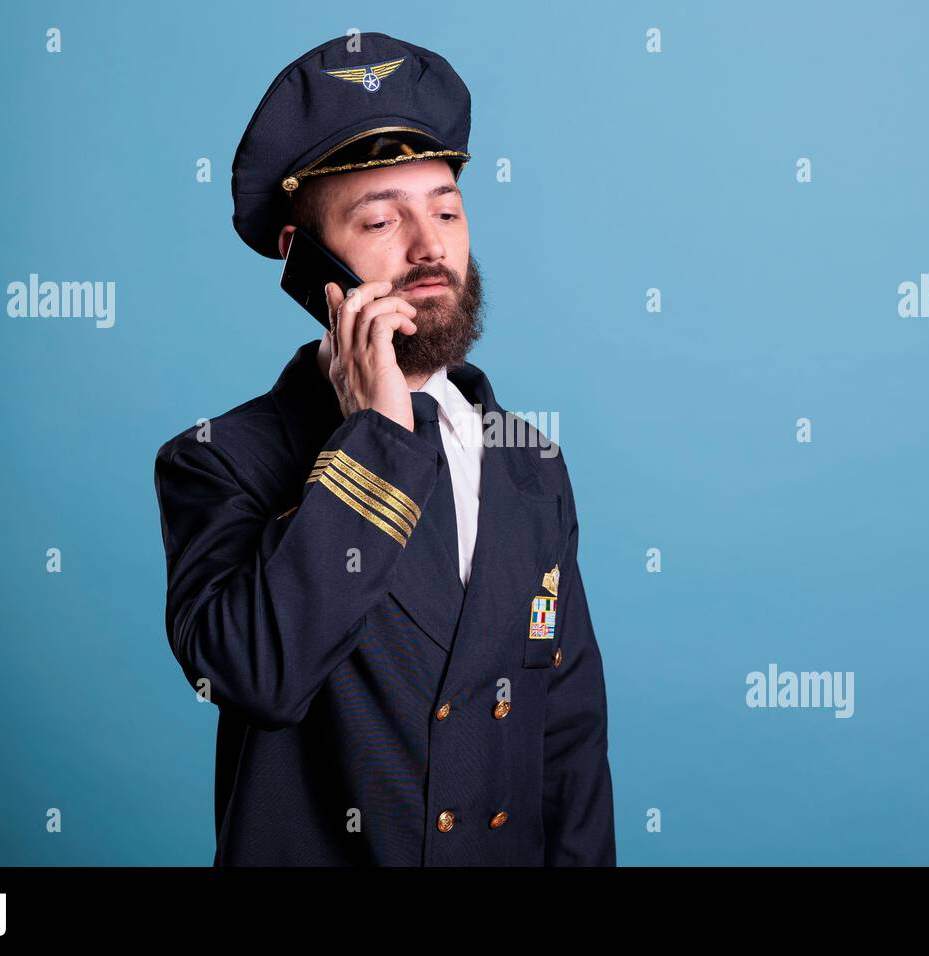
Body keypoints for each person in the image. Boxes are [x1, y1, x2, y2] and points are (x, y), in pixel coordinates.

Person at [152, 32, 615, 866]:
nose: (429, 246)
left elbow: (570, 747)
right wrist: (377, 442)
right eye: (379, 219)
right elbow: (257, 674)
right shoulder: (219, 460)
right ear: (305, 260)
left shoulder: (531, 464)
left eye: (445, 209)